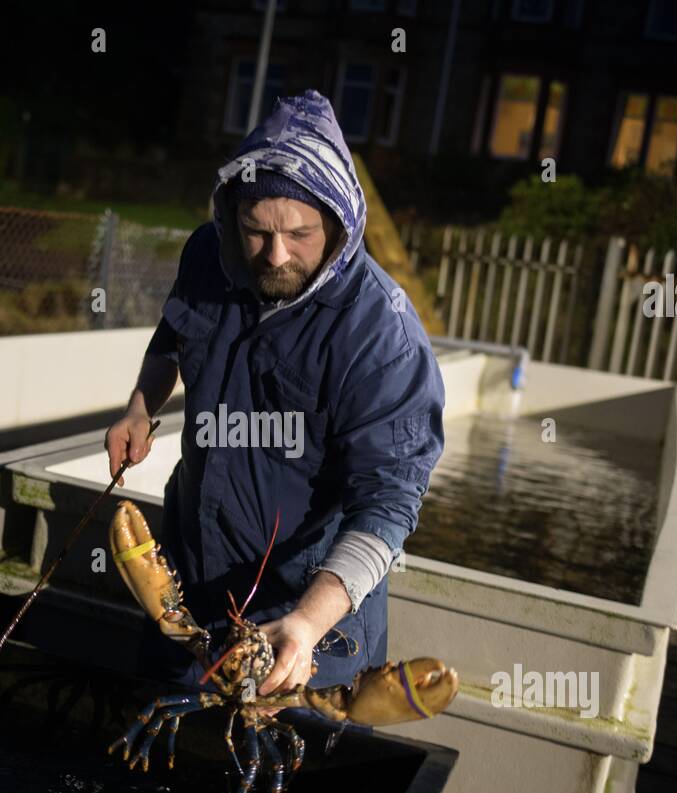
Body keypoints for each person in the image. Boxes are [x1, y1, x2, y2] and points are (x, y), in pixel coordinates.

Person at [105, 90, 444, 699]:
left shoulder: (382, 337)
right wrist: (139, 407)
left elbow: (389, 505)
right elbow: (172, 337)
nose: (276, 254)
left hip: (306, 626)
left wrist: (307, 624)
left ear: (339, 222)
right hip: (184, 595)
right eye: (256, 230)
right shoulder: (208, 255)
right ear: (232, 213)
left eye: (300, 233)